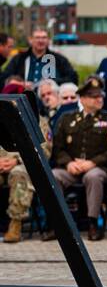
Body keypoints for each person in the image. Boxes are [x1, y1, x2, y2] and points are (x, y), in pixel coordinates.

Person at [45, 81, 107, 242]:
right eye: (93, 97)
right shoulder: (67, 118)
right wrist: (68, 163)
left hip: (99, 168)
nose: (99, 99)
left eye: (100, 96)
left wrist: (92, 162)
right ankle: (58, 224)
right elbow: (57, 148)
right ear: (82, 99)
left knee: (92, 177)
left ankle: (92, 223)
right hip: (72, 168)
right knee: (53, 175)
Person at [1, 100, 53, 244]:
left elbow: (44, 151)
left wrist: (17, 160)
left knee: (20, 174)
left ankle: (15, 225)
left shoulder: (37, 121)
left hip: (25, 164)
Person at [2, 28, 77, 87]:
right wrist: (20, 84)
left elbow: (73, 78)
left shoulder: (59, 59)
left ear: (48, 40)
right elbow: (4, 77)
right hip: (24, 99)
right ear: (30, 40)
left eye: (44, 37)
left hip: (50, 100)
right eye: (37, 37)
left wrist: (53, 82)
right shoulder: (19, 59)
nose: (41, 40)